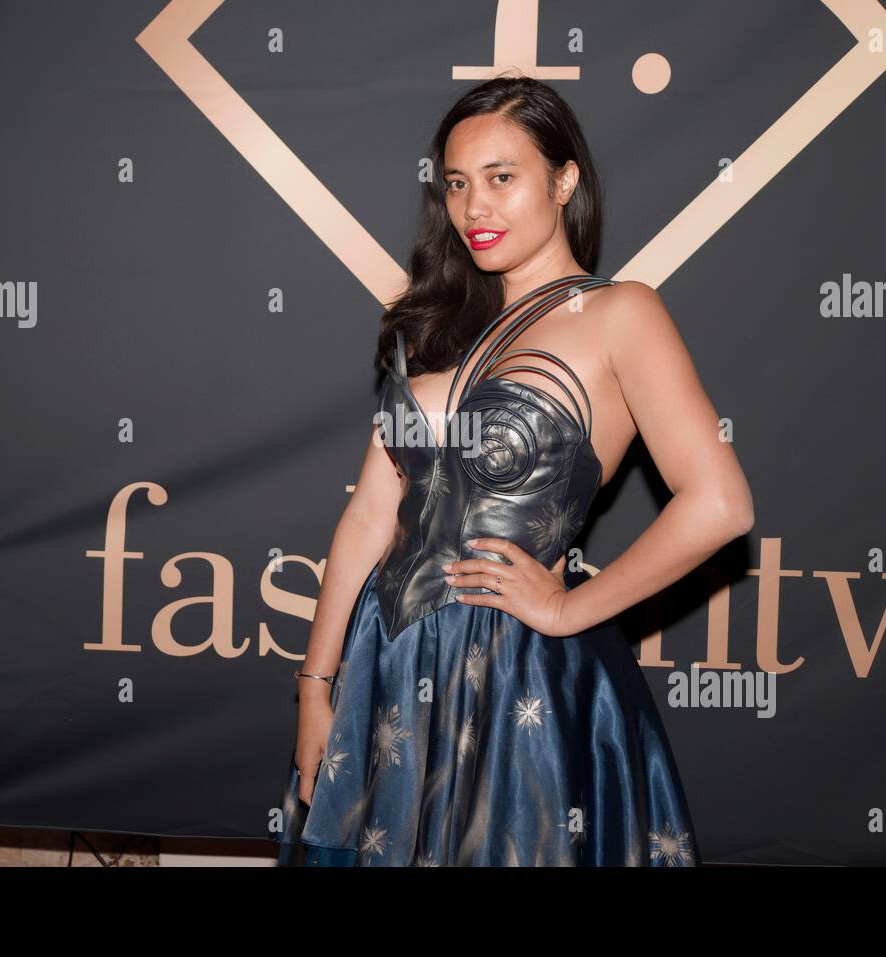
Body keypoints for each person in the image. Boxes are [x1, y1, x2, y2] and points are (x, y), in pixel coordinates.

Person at [270, 75, 754, 866]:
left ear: (564, 181)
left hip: (515, 676)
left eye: (502, 178)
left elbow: (721, 505)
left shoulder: (621, 313)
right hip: (386, 667)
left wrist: (569, 609)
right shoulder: (441, 324)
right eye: (457, 184)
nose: (474, 207)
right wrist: (318, 686)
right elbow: (368, 519)